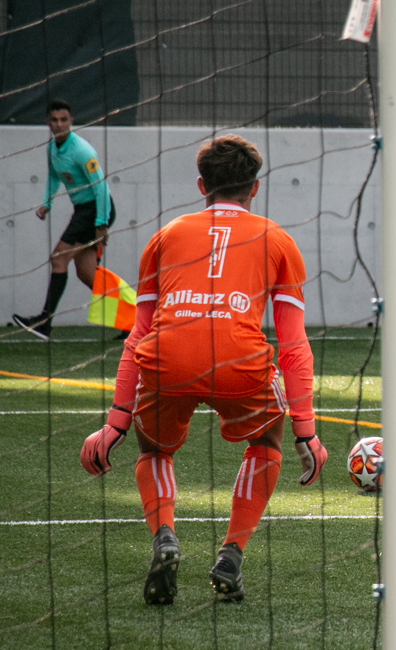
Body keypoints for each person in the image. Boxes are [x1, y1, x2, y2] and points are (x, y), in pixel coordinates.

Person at [78, 135, 329, 604]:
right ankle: (231, 553)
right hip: (240, 364)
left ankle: (165, 538)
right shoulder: (278, 240)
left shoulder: (166, 236)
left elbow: (137, 335)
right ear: (254, 189)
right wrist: (306, 432)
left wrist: (115, 424)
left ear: (201, 186)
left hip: (166, 360)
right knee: (267, 439)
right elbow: (294, 346)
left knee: (153, 448)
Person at [13, 98, 118, 340]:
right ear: (48, 122)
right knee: (86, 273)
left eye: (64, 120)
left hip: (96, 210)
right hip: (83, 211)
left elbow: (101, 188)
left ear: (71, 121)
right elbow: (53, 177)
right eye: (54, 120)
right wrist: (46, 204)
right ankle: (133, 322)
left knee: (58, 260)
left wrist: (101, 224)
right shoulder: (52, 148)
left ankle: (44, 321)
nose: (59, 125)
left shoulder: (82, 151)